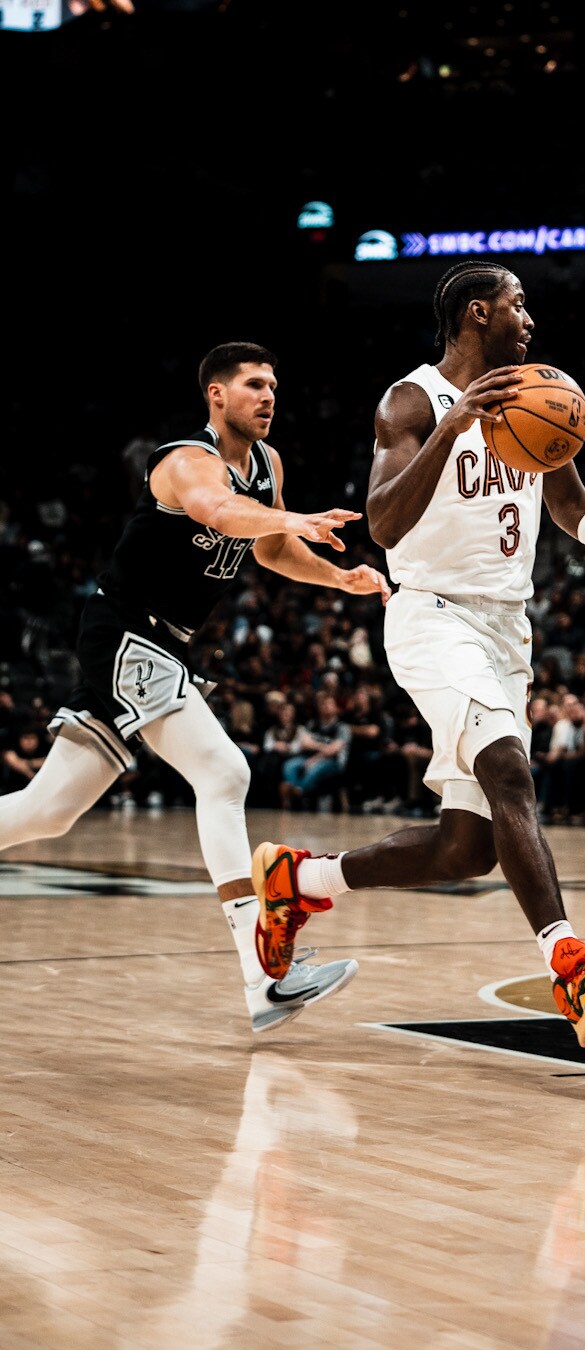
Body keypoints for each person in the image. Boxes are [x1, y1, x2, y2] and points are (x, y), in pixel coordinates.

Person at [251, 261, 585, 1049]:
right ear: (478, 313)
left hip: (505, 627)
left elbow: (567, 503)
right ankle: (570, 963)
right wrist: (452, 431)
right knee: (510, 769)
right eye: (520, 305)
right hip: (432, 615)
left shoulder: (539, 393)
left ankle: (297, 881)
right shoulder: (412, 400)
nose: (531, 318)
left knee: (466, 846)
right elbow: (382, 526)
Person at [0, 342, 391, 1033]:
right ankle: (263, 974)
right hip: (124, 632)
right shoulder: (183, 459)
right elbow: (217, 511)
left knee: (47, 811)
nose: (269, 396)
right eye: (253, 385)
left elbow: (267, 548)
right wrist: (286, 517)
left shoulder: (267, 464)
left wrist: (338, 577)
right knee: (222, 770)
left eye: (274, 385)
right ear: (216, 394)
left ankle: (264, 979)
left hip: (163, 643)